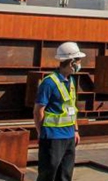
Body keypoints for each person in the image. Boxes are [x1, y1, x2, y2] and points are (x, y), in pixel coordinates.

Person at [34, 41, 85, 181]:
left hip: (68, 136)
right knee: (48, 172)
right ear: (71, 62)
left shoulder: (71, 82)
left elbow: (72, 109)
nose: (80, 65)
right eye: (78, 61)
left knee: (65, 173)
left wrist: (75, 130)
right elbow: (39, 110)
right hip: (52, 137)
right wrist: (41, 132)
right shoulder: (49, 82)